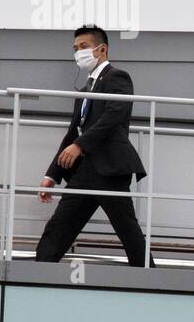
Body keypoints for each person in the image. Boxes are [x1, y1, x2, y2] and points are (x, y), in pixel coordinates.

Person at [35, 25, 154, 267]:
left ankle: (150, 277)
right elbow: (72, 133)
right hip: (85, 171)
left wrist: (79, 145)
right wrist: (53, 174)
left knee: (127, 230)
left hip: (110, 169)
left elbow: (113, 115)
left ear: (102, 49)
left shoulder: (117, 77)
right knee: (59, 226)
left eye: (84, 47)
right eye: (76, 48)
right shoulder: (87, 88)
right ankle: (38, 273)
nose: (79, 53)